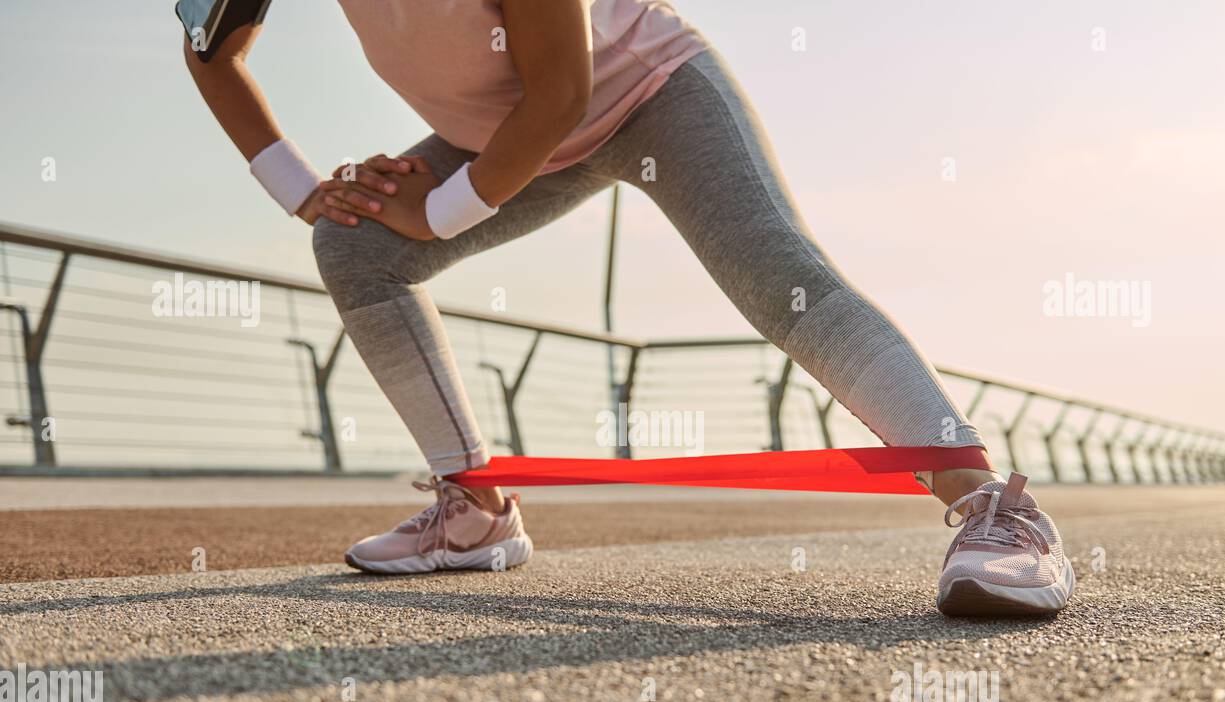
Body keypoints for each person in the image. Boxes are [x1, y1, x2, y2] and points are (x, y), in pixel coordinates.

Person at [180, 0, 1074, 616]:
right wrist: (307, 193)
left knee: (785, 287)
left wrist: (435, 208)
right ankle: (477, 514)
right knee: (354, 246)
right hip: (503, 135)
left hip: (643, 91)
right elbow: (210, 49)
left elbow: (564, 93)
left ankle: (994, 507)